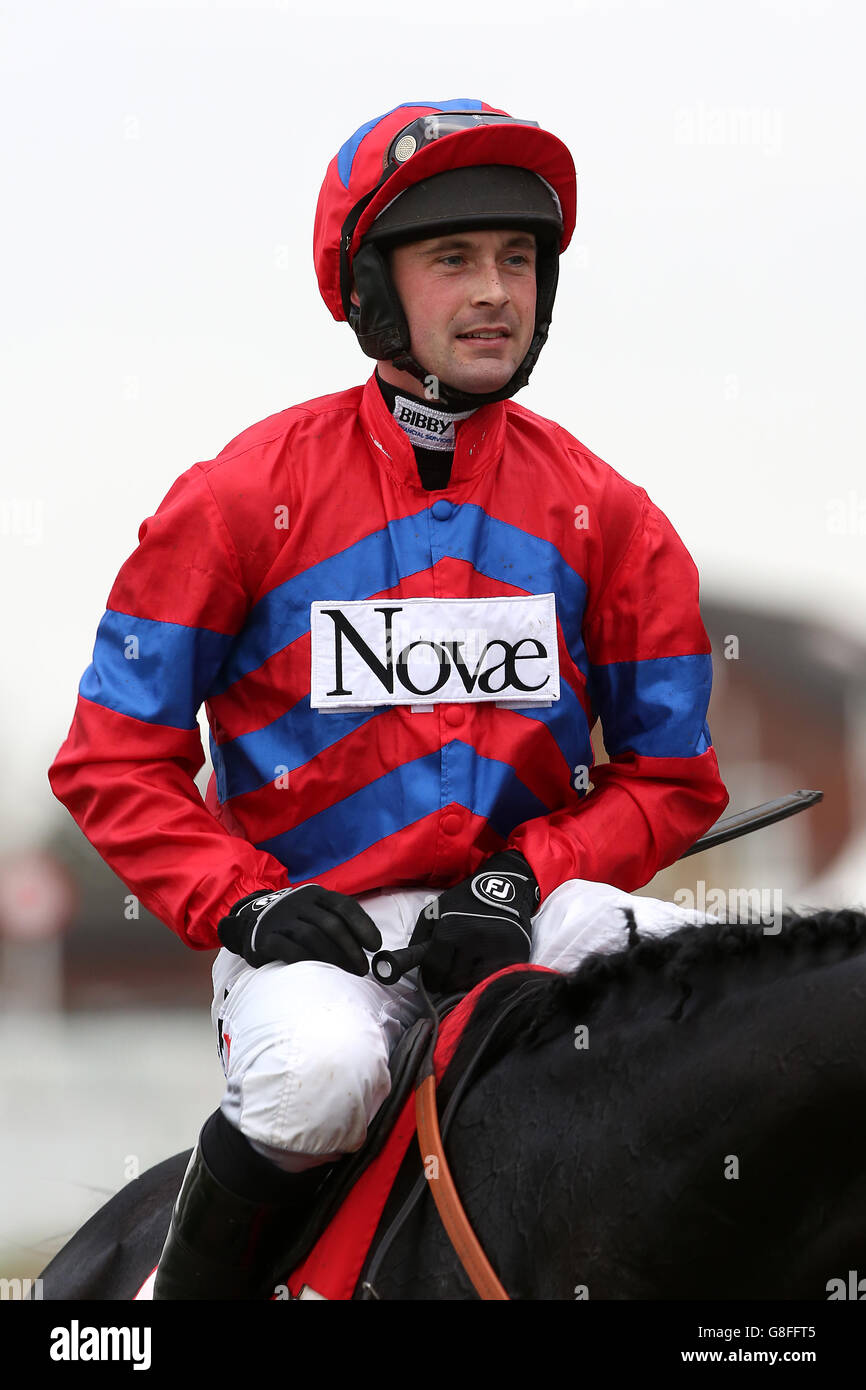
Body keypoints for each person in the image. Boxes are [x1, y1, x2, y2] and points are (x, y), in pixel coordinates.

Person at [48, 99, 729, 1299]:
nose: (494, 293)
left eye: (517, 261)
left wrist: (527, 870)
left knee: (725, 1013)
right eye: (454, 259)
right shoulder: (232, 499)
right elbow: (112, 761)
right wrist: (249, 907)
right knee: (314, 1079)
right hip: (321, 940)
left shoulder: (608, 516)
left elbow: (671, 779)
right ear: (371, 286)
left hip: (528, 912)